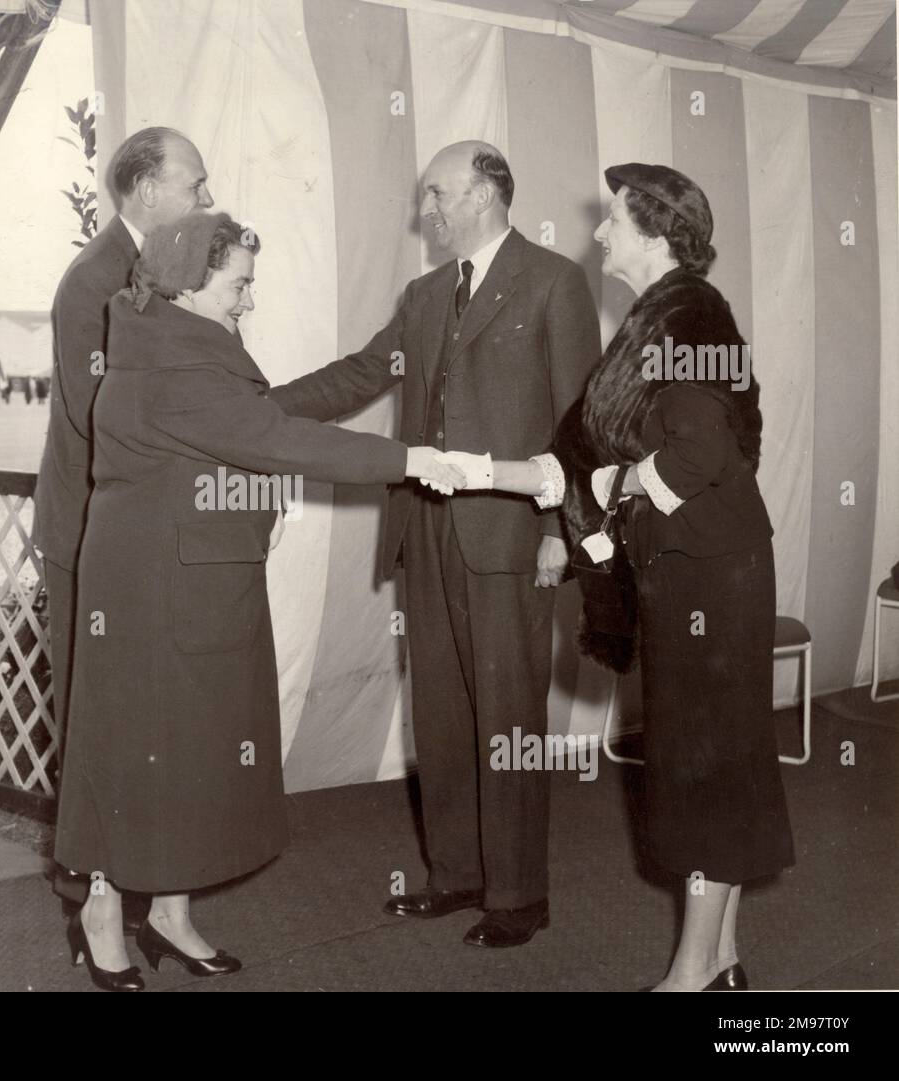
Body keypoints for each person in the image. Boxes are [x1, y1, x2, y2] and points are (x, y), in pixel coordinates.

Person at [54, 212, 465, 991]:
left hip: (199, 574)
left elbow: (261, 425)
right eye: (239, 283)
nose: (248, 300)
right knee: (134, 750)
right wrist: (416, 459)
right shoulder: (172, 365)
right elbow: (279, 441)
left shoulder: (180, 344)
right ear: (186, 283)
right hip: (154, 588)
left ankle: (170, 913)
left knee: (193, 750)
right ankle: (102, 915)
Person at [445, 163, 794, 990]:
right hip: (694, 566)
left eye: (612, 220)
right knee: (716, 759)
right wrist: (502, 474)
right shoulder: (658, 316)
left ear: (656, 232)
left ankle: (691, 975)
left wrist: (616, 488)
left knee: (705, 764)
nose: (598, 233)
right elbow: (583, 445)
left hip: (710, 573)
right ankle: (723, 961)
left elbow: (701, 451)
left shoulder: (689, 313)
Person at [270, 142, 601, 947]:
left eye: (440, 194)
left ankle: (519, 894)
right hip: (425, 531)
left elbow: (581, 424)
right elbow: (359, 373)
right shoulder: (423, 296)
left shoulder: (555, 281)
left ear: (487, 193)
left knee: (509, 717)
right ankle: (456, 875)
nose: (429, 211)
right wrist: (260, 406)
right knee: (444, 716)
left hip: (512, 538)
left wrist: (564, 536)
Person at [33, 126, 215, 928]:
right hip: (92, 533)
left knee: (155, 712)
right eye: (195, 185)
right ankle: (90, 906)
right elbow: (96, 413)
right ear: (147, 190)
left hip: (148, 528)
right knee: (98, 719)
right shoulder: (91, 281)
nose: (207, 201)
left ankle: (149, 888)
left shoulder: (175, 269)